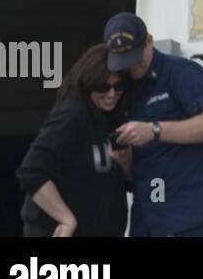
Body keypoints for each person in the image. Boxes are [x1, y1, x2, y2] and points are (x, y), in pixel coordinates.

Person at [105, 12, 203, 237]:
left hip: (191, 219)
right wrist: (125, 163)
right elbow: (143, 170)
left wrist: (154, 130)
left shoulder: (181, 72)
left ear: (150, 41)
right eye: (125, 63)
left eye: (136, 58)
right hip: (149, 220)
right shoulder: (125, 91)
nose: (132, 68)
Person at [17, 43, 131, 237]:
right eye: (103, 86)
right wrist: (66, 219)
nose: (112, 94)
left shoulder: (114, 119)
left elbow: (127, 183)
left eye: (118, 86)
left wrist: (126, 164)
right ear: (87, 82)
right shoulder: (72, 115)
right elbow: (32, 173)